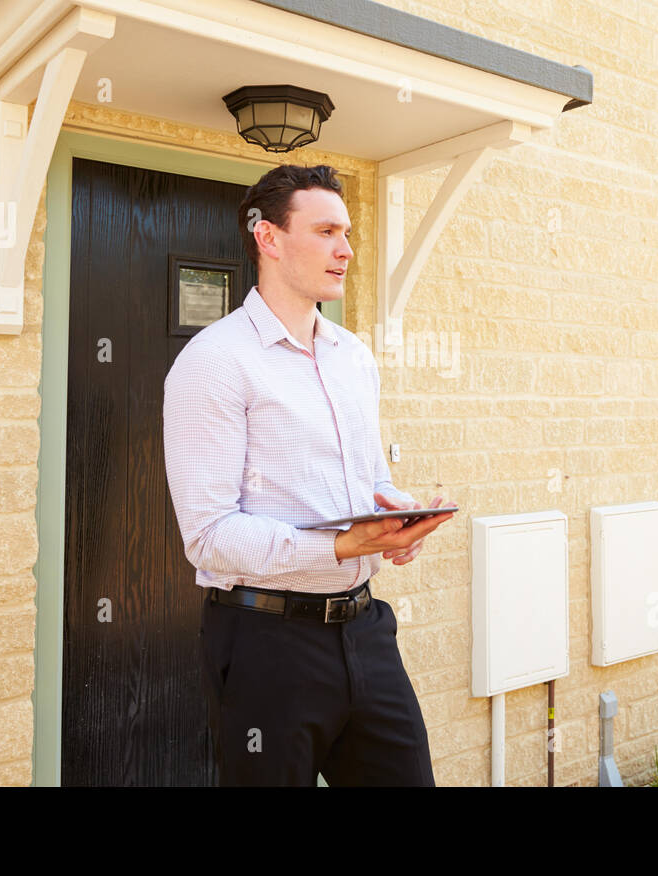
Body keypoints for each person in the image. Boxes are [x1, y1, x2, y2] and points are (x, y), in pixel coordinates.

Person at [162, 163, 454, 786]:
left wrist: (400, 516)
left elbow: (370, 477)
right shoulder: (213, 362)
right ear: (268, 238)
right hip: (267, 644)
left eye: (346, 233)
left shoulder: (353, 356)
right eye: (325, 231)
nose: (345, 249)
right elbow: (209, 534)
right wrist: (339, 545)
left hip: (366, 631)